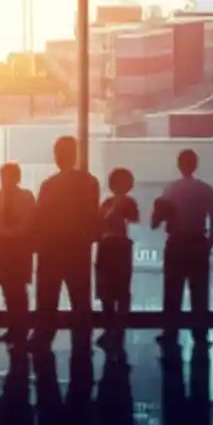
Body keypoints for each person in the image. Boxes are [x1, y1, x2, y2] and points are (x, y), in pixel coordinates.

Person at [31, 136, 101, 349]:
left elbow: (39, 217)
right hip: (76, 245)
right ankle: (82, 342)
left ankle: (43, 336)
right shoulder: (89, 182)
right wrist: (90, 238)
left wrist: (38, 243)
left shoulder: (48, 185)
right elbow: (92, 215)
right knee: (79, 296)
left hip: (52, 246)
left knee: (47, 295)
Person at [152, 149, 213, 344]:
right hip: (197, 242)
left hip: (176, 243)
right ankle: (200, 333)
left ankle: (170, 331)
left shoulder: (170, 189)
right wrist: (210, 241)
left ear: (179, 165)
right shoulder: (205, 189)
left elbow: (159, 217)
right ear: (195, 165)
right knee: (199, 292)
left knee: (172, 291)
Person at [0, 162, 37, 346]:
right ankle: (16, 327)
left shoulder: (25, 197)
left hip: (16, 245)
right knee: (9, 288)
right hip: (5, 245)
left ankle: (20, 327)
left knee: (18, 289)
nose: (6, 180)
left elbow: (33, 221)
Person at [97, 167, 139, 349]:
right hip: (117, 245)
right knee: (115, 289)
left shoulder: (119, 202)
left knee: (113, 289)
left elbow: (133, 218)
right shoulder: (114, 202)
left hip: (112, 245)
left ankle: (114, 328)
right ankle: (115, 328)